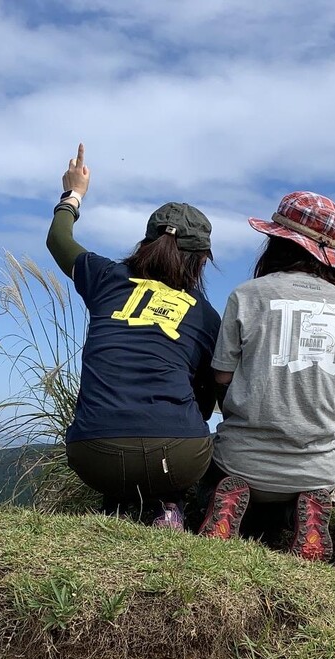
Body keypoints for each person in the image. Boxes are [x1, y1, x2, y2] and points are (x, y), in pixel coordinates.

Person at [45, 143, 220, 528]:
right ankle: (168, 505)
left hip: (92, 454)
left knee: (118, 459)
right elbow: (211, 396)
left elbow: (58, 240)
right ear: (201, 258)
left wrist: (73, 193)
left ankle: (122, 500)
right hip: (179, 457)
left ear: (146, 241)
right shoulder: (206, 316)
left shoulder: (106, 277)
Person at [200, 192, 335, 562]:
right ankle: (305, 509)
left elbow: (222, 377)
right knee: (302, 493)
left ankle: (232, 498)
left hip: (241, 460)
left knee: (217, 474)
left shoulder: (247, 295)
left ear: (276, 242)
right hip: (318, 466)